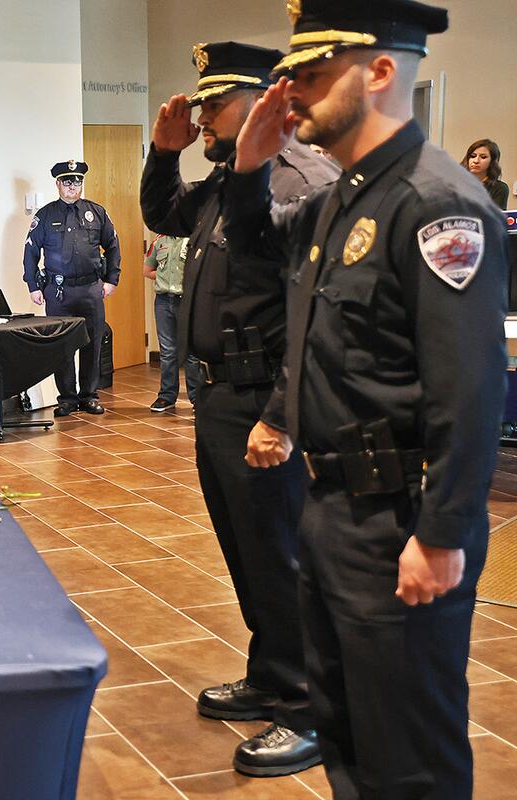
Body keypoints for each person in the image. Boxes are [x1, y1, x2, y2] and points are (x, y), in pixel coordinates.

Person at [224, 1, 507, 796]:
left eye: (314, 73)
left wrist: (442, 533)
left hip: (397, 520)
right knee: (348, 736)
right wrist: (247, 168)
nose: (293, 90)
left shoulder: (437, 204)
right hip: (331, 507)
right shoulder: (344, 198)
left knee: (409, 755)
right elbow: (252, 248)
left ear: (381, 71)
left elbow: (469, 388)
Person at [141, 41, 339, 778]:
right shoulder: (230, 179)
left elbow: (316, 317)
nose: (201, 116)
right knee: (249, 549)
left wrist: (281, 417)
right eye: (200, 103)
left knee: (285, 556)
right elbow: (164, 213)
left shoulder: (300, 182)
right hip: (220, 395)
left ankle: (310, 709)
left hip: (265, 401)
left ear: (265, 101)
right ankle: (272, 673)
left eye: (215, 103)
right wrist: (164, 154)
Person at [23, 161, 120, 416]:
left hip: (90, 289)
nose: (72, 187)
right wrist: (33, 286)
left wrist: (111, 280)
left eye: (77, 182)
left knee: (92, 344)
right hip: (59, 292)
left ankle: (89, 396)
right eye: (67, 182)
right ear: (58, 184)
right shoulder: (45, 216)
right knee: (62, 347)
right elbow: (30, 252)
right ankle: (67, 398)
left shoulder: (96, 212)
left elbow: (113, 246)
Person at [143, 234, 200, 412]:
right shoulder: (159, 241)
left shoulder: (194, 239)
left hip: (187, 301)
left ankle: (197, 398)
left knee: (191, 352)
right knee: (167, 351)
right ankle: (166, 396)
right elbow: (147, 270)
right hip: (163, 301)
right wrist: (164, 279)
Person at [462, 138, 509, 209]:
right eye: (473, 156)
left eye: (483, 157)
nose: (476, 161)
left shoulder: (499, 188)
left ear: (492, 162)